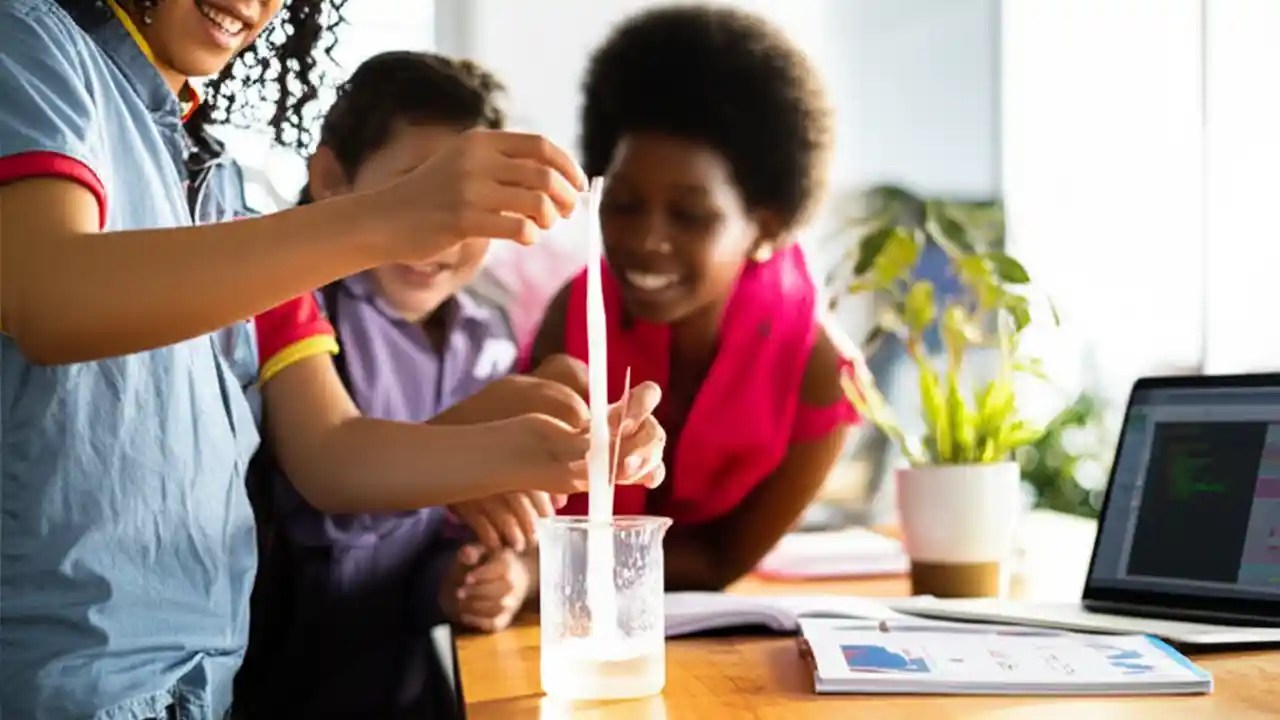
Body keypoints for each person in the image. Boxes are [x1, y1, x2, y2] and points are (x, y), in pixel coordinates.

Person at [0, 2, 661, 718]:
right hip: (52, 678)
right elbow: (49, 295)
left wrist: (538, 451)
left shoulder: (227, 202)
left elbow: (333, 455)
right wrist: (393, 215)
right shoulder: (26, 43)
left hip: (199, 682)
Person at [234, 52, 578, 718]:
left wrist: (469, 579)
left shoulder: (488, 335)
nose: (440, 231)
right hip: (287, 679)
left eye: (467, 204)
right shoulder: (301, 314)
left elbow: (435, 541)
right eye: (417, 192)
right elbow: (319, 505)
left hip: (410, 684)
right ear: (332, 179)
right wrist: (465, 463)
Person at [530, 5, 860, 592]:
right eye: (624, 204)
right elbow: (531, 525)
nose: (644, 241)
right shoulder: (576, 317)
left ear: (767, 228)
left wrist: (541, 575)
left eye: (689, 215)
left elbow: (720, 562)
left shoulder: (819, 374)